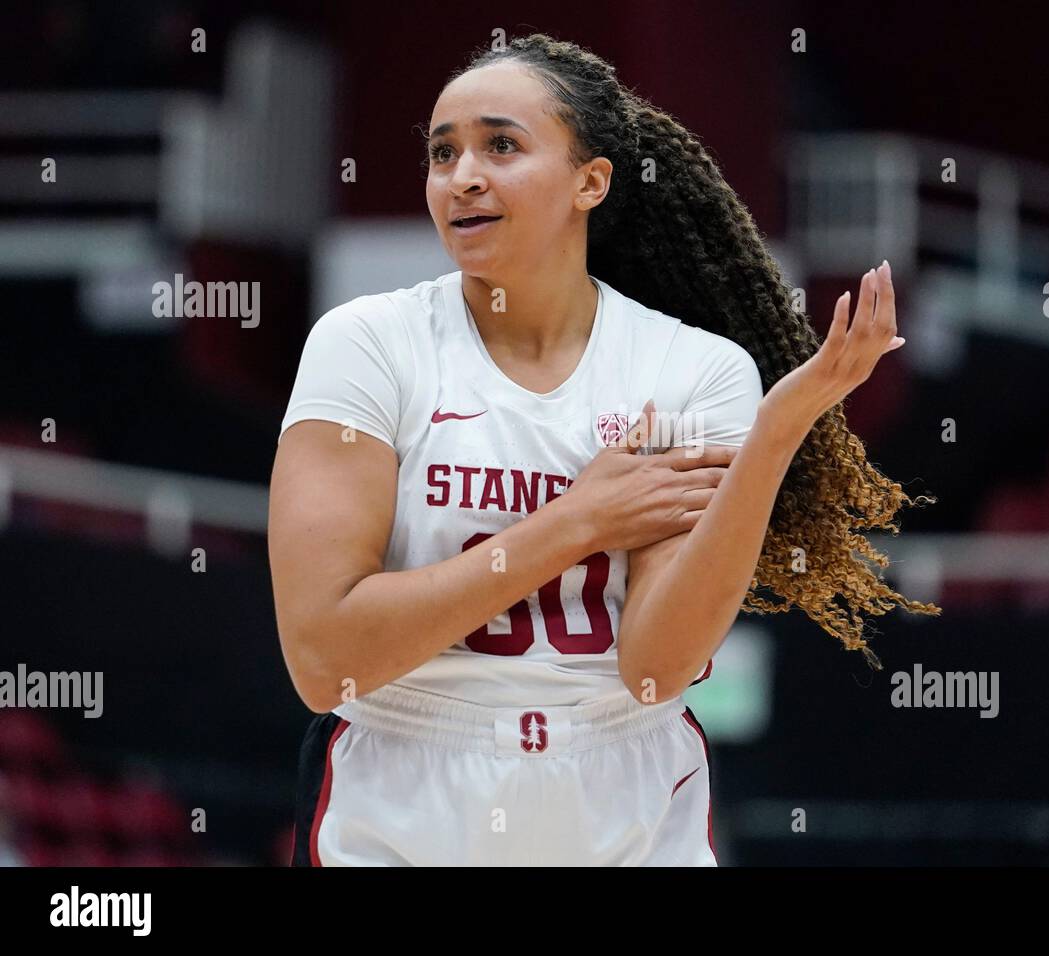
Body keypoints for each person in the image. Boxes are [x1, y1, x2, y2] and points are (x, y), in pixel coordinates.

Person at [269, 33, 938, 867]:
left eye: (501, 145)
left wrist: (773, 437)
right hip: (409, 778)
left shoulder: (690, 370)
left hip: (624, 784)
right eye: (443, 153)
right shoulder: (366, 344)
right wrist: (577, 522)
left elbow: (656, 666)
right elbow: (325, 662)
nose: (462, 175)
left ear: (591, 181)